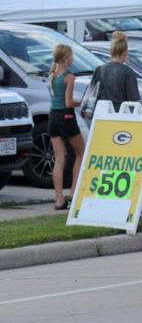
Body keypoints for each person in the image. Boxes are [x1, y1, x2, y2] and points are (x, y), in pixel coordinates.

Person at [48, 44, 85, 210]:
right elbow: (69, 102)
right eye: (71, 56)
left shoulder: (52, 75)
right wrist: (83, 102)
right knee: (81, 153)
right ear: (65, 58)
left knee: (59, 158)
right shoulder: (69, 76)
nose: (73, 59)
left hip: (53, 118)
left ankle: (59, 199)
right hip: (67, 117)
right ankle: (73, 192)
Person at [92, 31, 140, 111]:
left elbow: (91, 94)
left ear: (111, 52)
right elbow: (135, 100)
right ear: (125, 53)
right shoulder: (128, 72)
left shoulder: (99, 70)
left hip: (101, 114)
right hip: (120, 115)